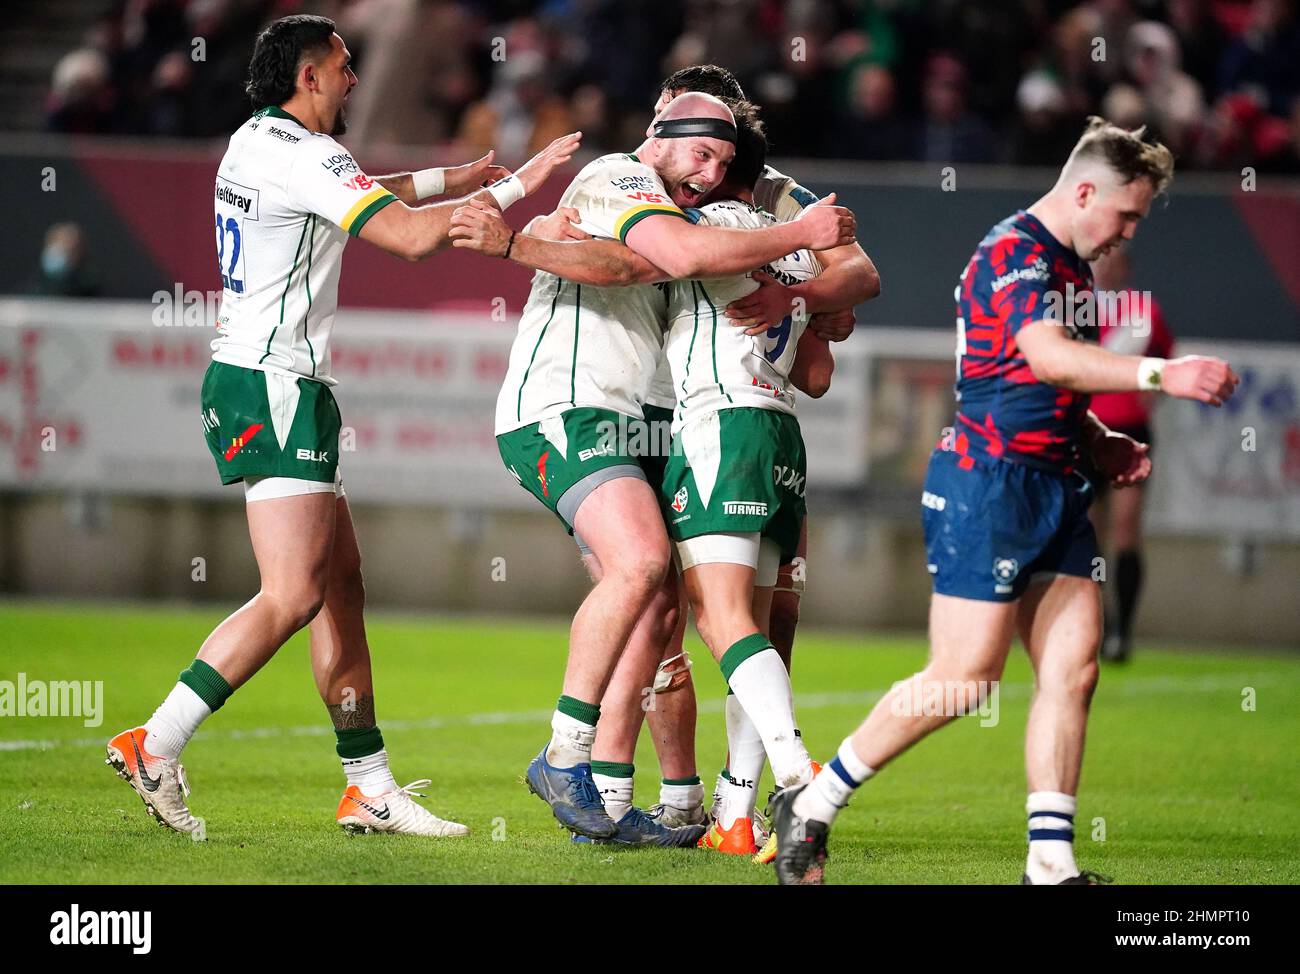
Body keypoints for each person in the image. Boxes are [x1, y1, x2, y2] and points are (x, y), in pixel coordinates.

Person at [105, 14, 579, 838]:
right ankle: (158, 739)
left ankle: (369, 786)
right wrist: (514, 188)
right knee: (292, 593)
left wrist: (453, 176)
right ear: (310, 75)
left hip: (257, 378)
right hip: (277, 382)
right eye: (344, 65)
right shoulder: (311, 154)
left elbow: (356, 198)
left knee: (339, 587)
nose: (355, 78)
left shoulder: (256, 142)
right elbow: (409, 241)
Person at [770, 117, 1239, 885]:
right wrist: (1163, 374)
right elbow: (1047, 357)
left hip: (1057, 485)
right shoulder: (1015, 251)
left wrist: (1096, 440)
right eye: (1125, 215)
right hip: (988, 484)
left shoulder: (1072, 268)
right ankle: (814, 803)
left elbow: (1035, 382)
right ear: (1085, 191)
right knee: (964, 677)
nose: (1126, 233)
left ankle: (1050, 865)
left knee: (1074, 668)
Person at [448, 92, 856, 842]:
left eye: (725, 163)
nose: (708, 171)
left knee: (662, 606)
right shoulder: (621, 176)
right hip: (569, 403)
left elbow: (840, 288)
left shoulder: (703, 219)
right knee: (641, 564)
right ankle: (566, 755)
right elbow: (661, 259)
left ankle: (611, 798)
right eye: (701, 152)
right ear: (660, 131)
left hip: (653, 420)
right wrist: (801, 246)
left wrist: (801, 288)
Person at [1086, 247, 1175, 661]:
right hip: (1081, 432)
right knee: (1086, 533)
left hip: (1129, 430)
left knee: (1125, 528)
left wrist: (1149, 394)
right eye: (1101, 258)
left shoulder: (1144, 310)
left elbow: (1164, 359)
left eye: (1116, 259)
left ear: (1127, 267)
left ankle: (1123, 628)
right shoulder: (1076, 306)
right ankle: (1095, 626)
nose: (1107, 265)